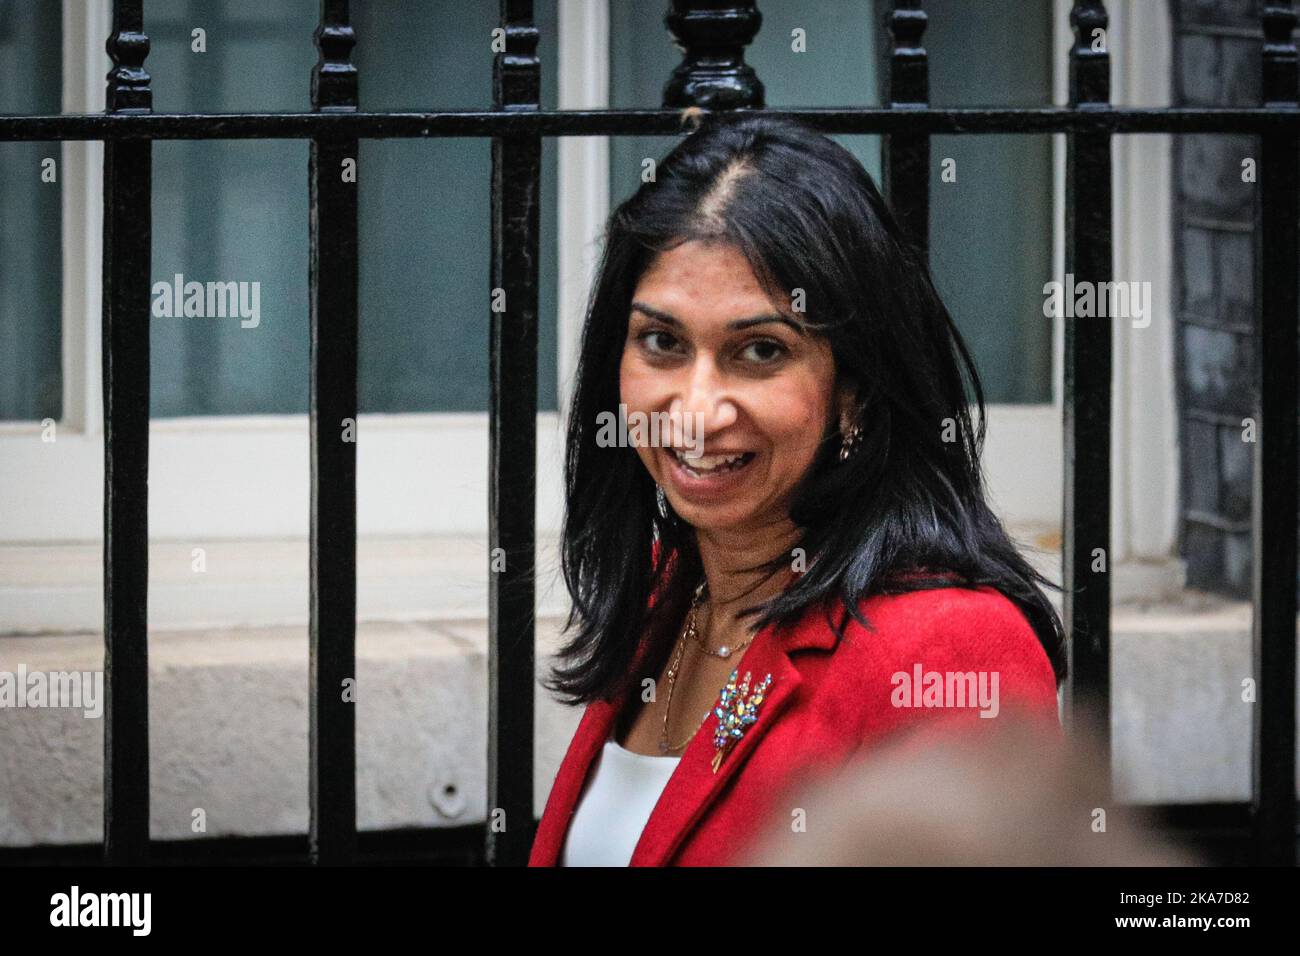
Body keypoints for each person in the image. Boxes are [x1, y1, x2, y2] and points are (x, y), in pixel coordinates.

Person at [528, 111, 1068, 867]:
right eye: (663, 342)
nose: (695, 411)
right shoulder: (667, 591)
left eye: (759, 351)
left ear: (854, 387)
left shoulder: (948, 650)